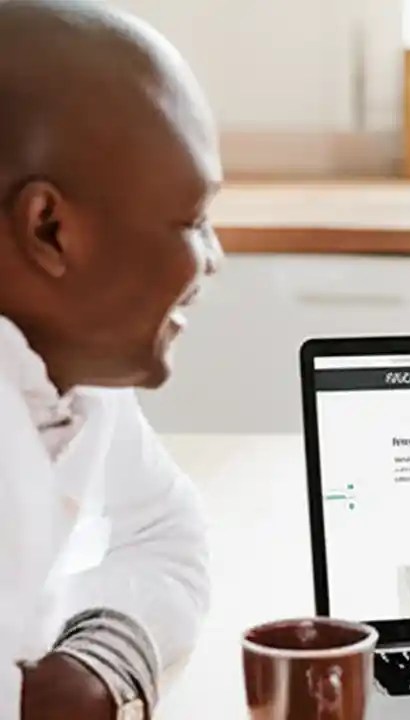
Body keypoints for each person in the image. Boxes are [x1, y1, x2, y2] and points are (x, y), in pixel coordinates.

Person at [0, 1, 222, 718]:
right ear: (51, 229)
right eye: (193, 221)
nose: (214, 259)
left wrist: (94, 671)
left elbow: (168, 535)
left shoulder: (64, 378)